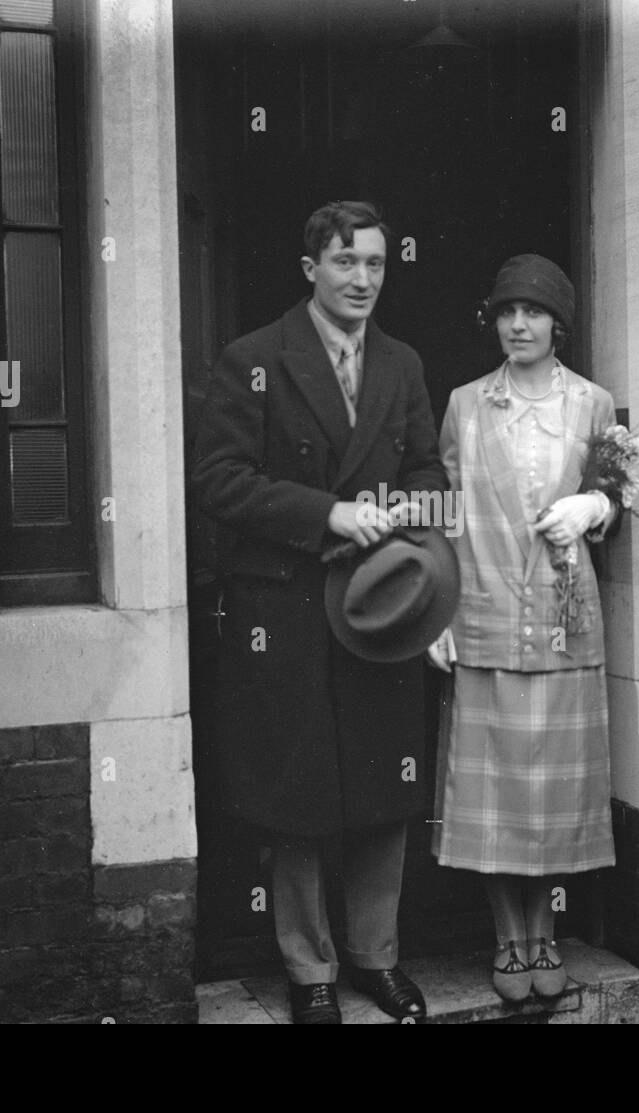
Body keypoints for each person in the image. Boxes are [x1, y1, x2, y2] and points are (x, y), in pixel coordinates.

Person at [190, 201, 447, 1024]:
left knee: (385, 785)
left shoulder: (403, 363)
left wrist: (388, 507)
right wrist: (325, 514)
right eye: (345, 263)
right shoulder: (254, 359)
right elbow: (218, 482)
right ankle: (310, 971)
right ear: (311, 269)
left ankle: (377, 957)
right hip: (287, 613)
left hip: (377, 609)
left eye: (374, 263)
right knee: (293, 793)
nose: (363, 279)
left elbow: (430, 478)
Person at [428, 254, 618, 1002]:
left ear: (558, 323)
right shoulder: (465, 404)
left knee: (552, 799)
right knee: (499, 795)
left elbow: (616, 490)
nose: (518, 325)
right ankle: (509, 940)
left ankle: (546, 932)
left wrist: (594, 508)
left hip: (566, 619)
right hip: (485, 614)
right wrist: (435, 609)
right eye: (507, 312)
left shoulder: (594, 404)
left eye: (533, 313)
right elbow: (447, 516)